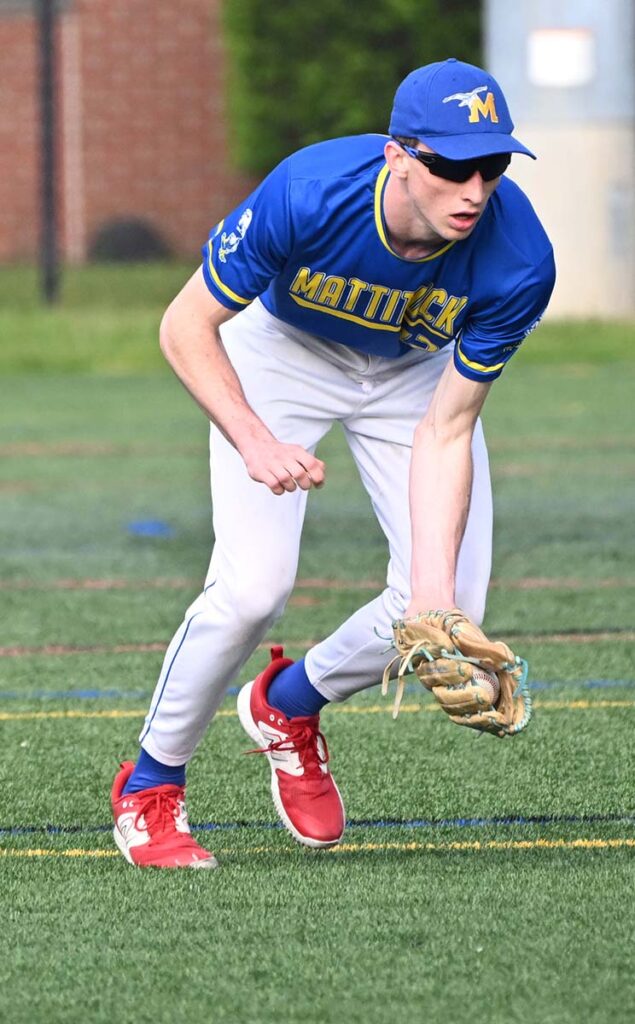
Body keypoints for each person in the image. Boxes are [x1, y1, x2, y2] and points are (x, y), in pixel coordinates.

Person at [111, 58, 555, 868]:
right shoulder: (310, 190)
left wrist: (428, 606)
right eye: (451, 165)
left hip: (413, 372)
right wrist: (254, 438)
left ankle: (288, 703)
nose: (474, 188)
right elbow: (185, 325)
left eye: (491, 165)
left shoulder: (519, 259)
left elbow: (446, 430)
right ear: (397, 155)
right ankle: (149, 786)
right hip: (281, 354)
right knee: (253, 589)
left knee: (447, 600)